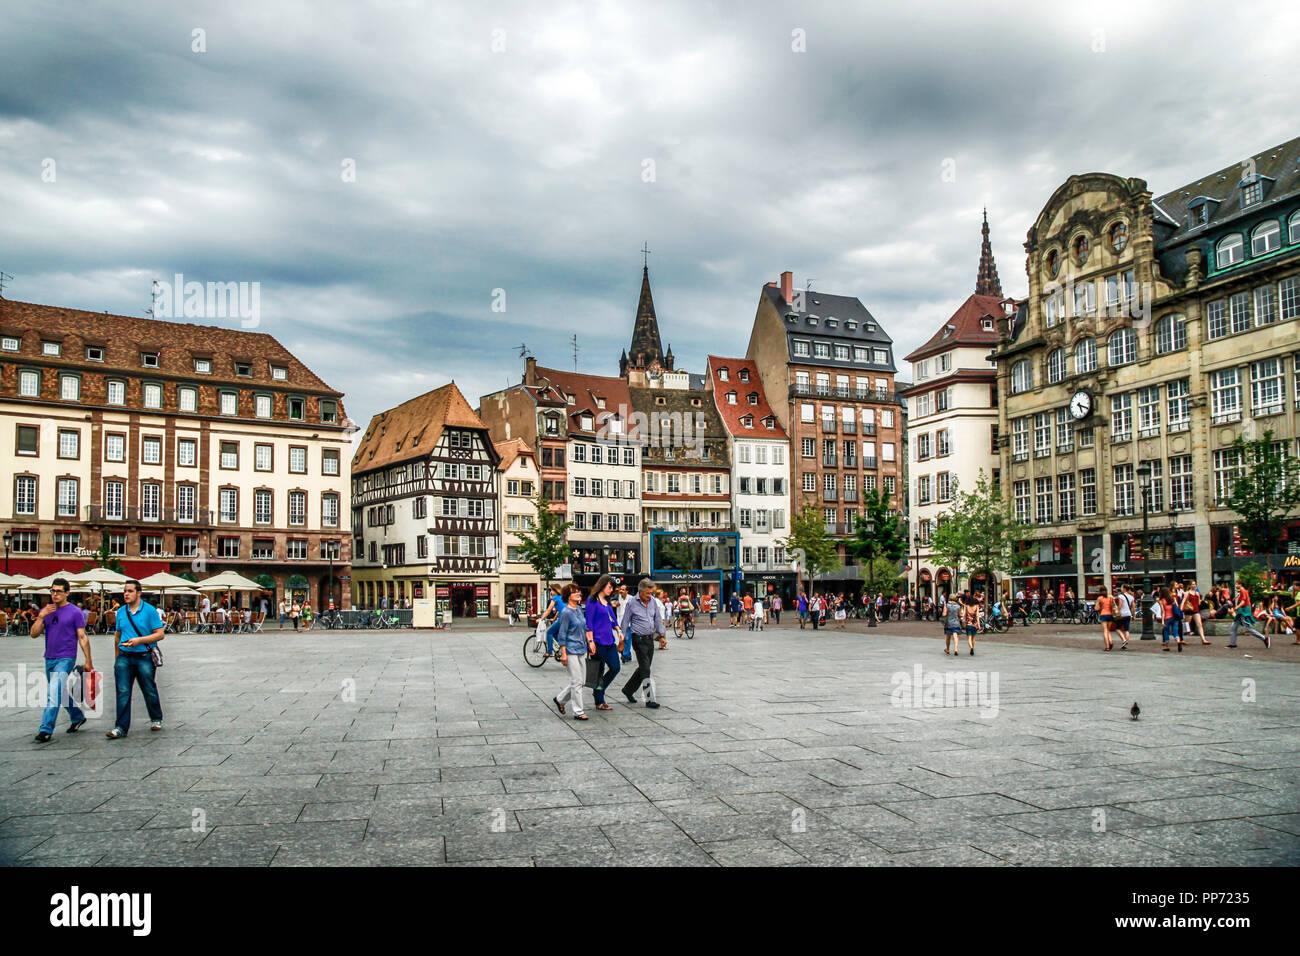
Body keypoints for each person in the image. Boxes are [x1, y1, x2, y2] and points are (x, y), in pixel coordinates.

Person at [30, 578, 93, 743]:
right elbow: (33, 634)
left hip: (66, 657)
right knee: (59, 692)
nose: (55, 594)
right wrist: (41, 616)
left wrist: (88, 660)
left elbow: (82, 636)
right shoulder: (47, 611)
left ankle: (45, 729)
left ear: (67, 593)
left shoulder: (74, 612)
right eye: (52, 591)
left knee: (53, 693)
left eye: (58, 591)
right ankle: (77, 716)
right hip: (49, 657)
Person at [106, 579, 165, 739]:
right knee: (123, 691)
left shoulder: (150, 611)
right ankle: (121, 727)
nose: (126, 594)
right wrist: (117, 657)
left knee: (149, 689)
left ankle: (156, 717)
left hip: (144, 656)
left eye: (130, 591)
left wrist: (139, 640)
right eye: (125, 591)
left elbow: (160, 634)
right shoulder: (121, 612)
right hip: (124, 657)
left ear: (139, 593)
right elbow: (117, 635)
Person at [621, 578, 664, 709]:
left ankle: (628, 689)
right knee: (645, 669)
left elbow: (657, 619)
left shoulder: (653, 602)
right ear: (640, 591)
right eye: (647, 593)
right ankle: (649, 699)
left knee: (643, 668)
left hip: (649, 639)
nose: (649, 596)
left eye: (651, 593)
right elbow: (625, 621)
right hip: (638, 639)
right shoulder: (631, 603)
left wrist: (661, 635)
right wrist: (621, 640)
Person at [551, 584, 592, 721]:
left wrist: (590, 642)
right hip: (570, 649)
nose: (579, 594)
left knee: (582, 680)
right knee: (576, 681)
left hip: (581, 648)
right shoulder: (566, 613)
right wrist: (563, 653)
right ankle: (578, 711)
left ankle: (560, 699)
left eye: (579, 592)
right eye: (575, 593)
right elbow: (562, 634)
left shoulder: (579, 610)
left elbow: (585, 627)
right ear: (568, 596)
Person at [585, 575, 623, 710]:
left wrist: (618, 630)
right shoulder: (592, 600)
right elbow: (589, 622)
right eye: (609, 587)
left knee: (615, 667)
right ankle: (599, 700)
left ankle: (598, 691)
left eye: (612, 587)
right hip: (597, 641)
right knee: (599, 671)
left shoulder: (607, 602)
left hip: (609, 641)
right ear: (602, 585)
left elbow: (613, 619)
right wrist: (590, 641)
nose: (611, 589)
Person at [541, 583, 565, 658]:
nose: (551, 592)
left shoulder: (555, 598)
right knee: (554, 634)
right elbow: (559, 610)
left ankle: (550, 652)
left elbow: (548, 610)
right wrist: (554, 619)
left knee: (549, 632)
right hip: (566, 618)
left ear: (555, 590)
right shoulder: (563, 597)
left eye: (551, 590)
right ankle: (562, 647)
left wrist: (541, 619)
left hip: (562, 619)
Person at [617, 584, 633, 662]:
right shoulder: (617, 598)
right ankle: (628, 655)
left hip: (628, 623)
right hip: (620, 623)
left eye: (623, 590)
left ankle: (625, 655)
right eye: (620, 589)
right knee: (621, 640)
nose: (621, 591)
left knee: (627, 639)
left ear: (627, 591)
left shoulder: (631, 599)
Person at [1096, 586, 1115, 651]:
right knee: (1108, 630)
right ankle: (1111, 641)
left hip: (1103, 614)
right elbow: (1113, 606)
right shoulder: (1111, 597)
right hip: (1110, 615)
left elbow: (1096, 608)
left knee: (1105, 630)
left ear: (1100, 591)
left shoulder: (1100, 598)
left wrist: (1101, 607)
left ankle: (1107, 646)